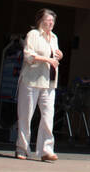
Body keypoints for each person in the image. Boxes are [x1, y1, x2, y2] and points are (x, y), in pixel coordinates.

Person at [16, 9, 62, 161]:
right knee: (26, 115)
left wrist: (59, 55)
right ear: (40, 21)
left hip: (49, 82)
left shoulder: (54, 37)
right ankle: (22, 148)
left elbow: (54, 55)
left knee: (48, 115)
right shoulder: (33, 34)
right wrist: (48, 60)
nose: (51, 23)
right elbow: (28, 56)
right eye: (48, 20)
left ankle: (46, 150)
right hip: (32, 80)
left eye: (53, 21)